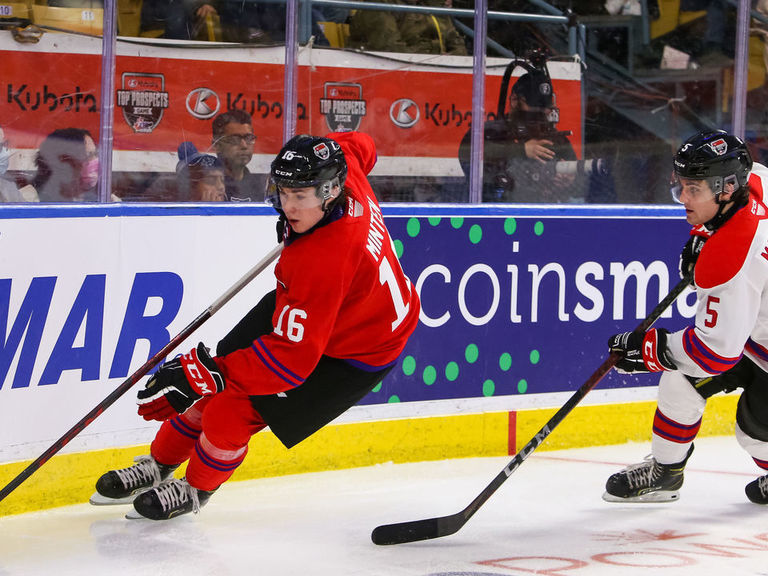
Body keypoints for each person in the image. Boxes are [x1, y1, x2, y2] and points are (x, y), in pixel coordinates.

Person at [90, 131, 421, 520]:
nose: (289, 206)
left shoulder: (324, 259)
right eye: (284, 192)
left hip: (353, 351)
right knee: (212, 380)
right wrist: (211, 373)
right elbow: (363, 143)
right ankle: (159, 465)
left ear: (331, 191)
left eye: (301, 197)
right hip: (332, 307)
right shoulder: (341, 170)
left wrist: (213, 374)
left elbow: (290, 362)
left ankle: (196, 489)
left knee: (230, 409)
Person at [603, 129, 768, 504]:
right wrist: (703, 233)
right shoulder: (753, 179)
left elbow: (715, 354)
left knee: (754, 432)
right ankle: (665, 474)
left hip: (754, 341)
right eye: (682, 185)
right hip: (757, 334)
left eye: (694, 189)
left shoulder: (732, 260)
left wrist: (651, 349)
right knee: (681, 382)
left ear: (726, 189)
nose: (683, 197)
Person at [458, 68, 580, 203]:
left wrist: (570, 181)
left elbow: (582, 184)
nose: (541, 113)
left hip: (545, 214)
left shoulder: (558, 140)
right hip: (500, 212)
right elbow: (467, 153)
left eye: (545, 108)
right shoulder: (494, 132)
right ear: (515, 101)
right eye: (534, 108)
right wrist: (521, 150)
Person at [348, 0, 468, 55]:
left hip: (436, 73)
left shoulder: (432, 6)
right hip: (386, 77)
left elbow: (458, 45)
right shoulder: (379, 6)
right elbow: (391, 51)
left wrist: (452, 56)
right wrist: (436, 51)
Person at [25, 128, 101, 202]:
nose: (95, 162)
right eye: (87, 155)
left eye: (95, 154)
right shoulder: (27, 199)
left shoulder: (100, 199)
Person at [211, 110, 268, 202]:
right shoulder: (209, 185)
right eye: (235, 139)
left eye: (248, 138)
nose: (244, 145)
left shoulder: (262, 186)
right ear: (217, 145)